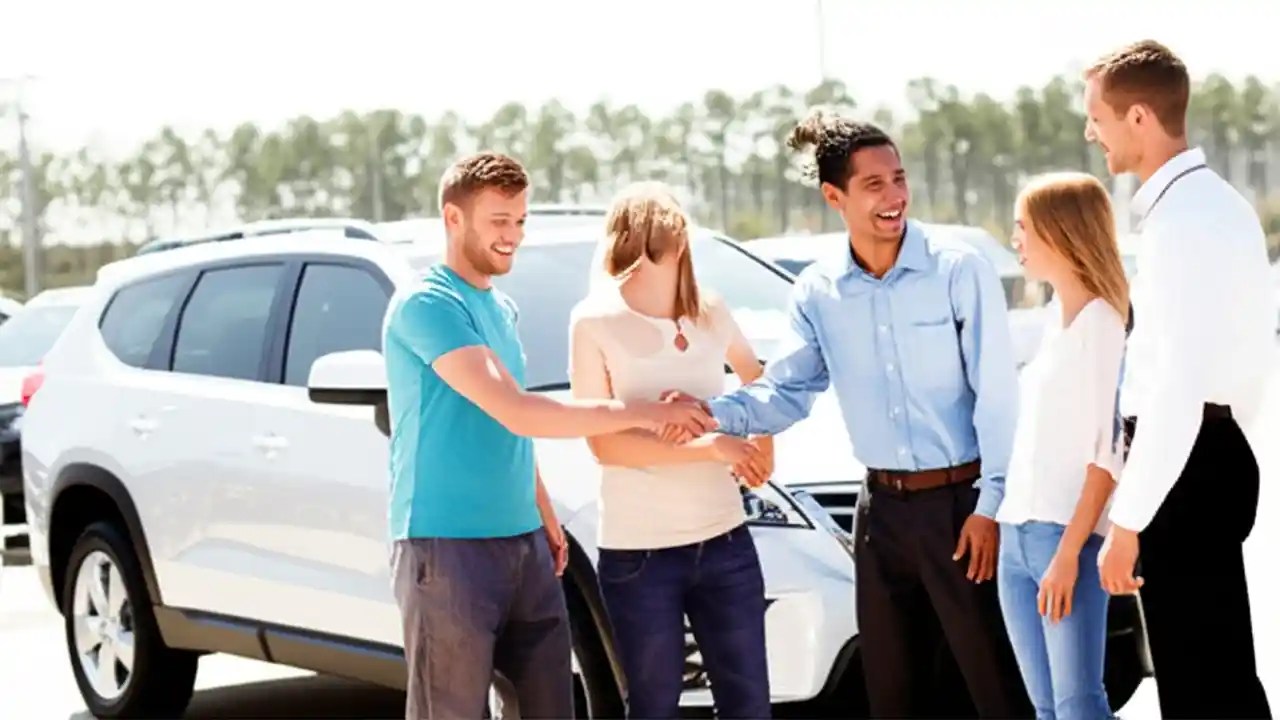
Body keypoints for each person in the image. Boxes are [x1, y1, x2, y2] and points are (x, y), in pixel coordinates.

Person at [696, 111, 1032, 718]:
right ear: (835, 196)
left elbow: (997, 397)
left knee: (996, 692)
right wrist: (708, 415)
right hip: (880, 517)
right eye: (874, 184)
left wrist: (990, 506)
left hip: (962, 512)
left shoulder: (958, 271)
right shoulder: (819, 292)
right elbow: (787, 391)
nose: (895, 196)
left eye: (899, 179)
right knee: (894, 697)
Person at [381, 152, 716, 720]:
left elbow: (509, 429)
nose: (512, 236)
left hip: (526, 545)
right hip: (446, 549)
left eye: (519, 221)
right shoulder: (428, 304)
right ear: (453, 219)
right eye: (498, 222)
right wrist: (638, 412)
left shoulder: (500, 307)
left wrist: (543, 512)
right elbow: (516, 410)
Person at [1083, 40, 1273, 719]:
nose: (1090, 131)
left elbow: (1174, 388)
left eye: (1098, 116)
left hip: (1186, 468)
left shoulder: (1181, 224)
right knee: (1219, 677)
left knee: (1202, 686)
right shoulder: (1219, 207)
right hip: (1211, 456)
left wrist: (1128, 521)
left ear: (1138, 117)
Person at [568, 181, 775, 719]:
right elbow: (605, 444)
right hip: (640, 555)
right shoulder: (594, 321)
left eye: (668, 240)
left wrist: (760, 446)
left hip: (726, 543)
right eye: (647, 244)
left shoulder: (711, 310)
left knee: (750, 706)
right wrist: (714, 449)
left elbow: (758, 379)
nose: (662, 254)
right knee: (654, 708)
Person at [997, 172, 1129, 720]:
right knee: (1046, 709)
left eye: (1023, 227)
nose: (1016, 240)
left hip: (1062, 539)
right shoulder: (1054, 320)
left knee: (1079, 707)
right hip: (1016, 537)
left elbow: (1107, 456)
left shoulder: (1103, 323)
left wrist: (1070, 554)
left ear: (1059, 231)